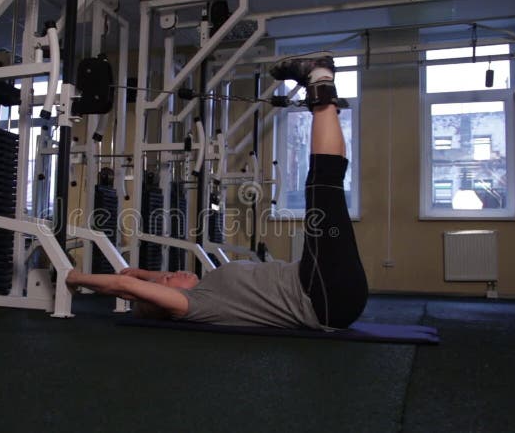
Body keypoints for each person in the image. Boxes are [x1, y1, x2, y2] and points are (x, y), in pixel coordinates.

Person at [66, 54, 369, 330]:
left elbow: (137, 279)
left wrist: (142, 275)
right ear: (166, 299)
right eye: (166, 281)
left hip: (324, 285)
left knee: (326, 186)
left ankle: (318, 79)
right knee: (323, 186)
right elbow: (127, 287)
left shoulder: (205, 285)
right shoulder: (198, 305)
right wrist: (76, 278)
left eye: (164, 276)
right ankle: (319, 78)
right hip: (321, 296)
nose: (168, 274)